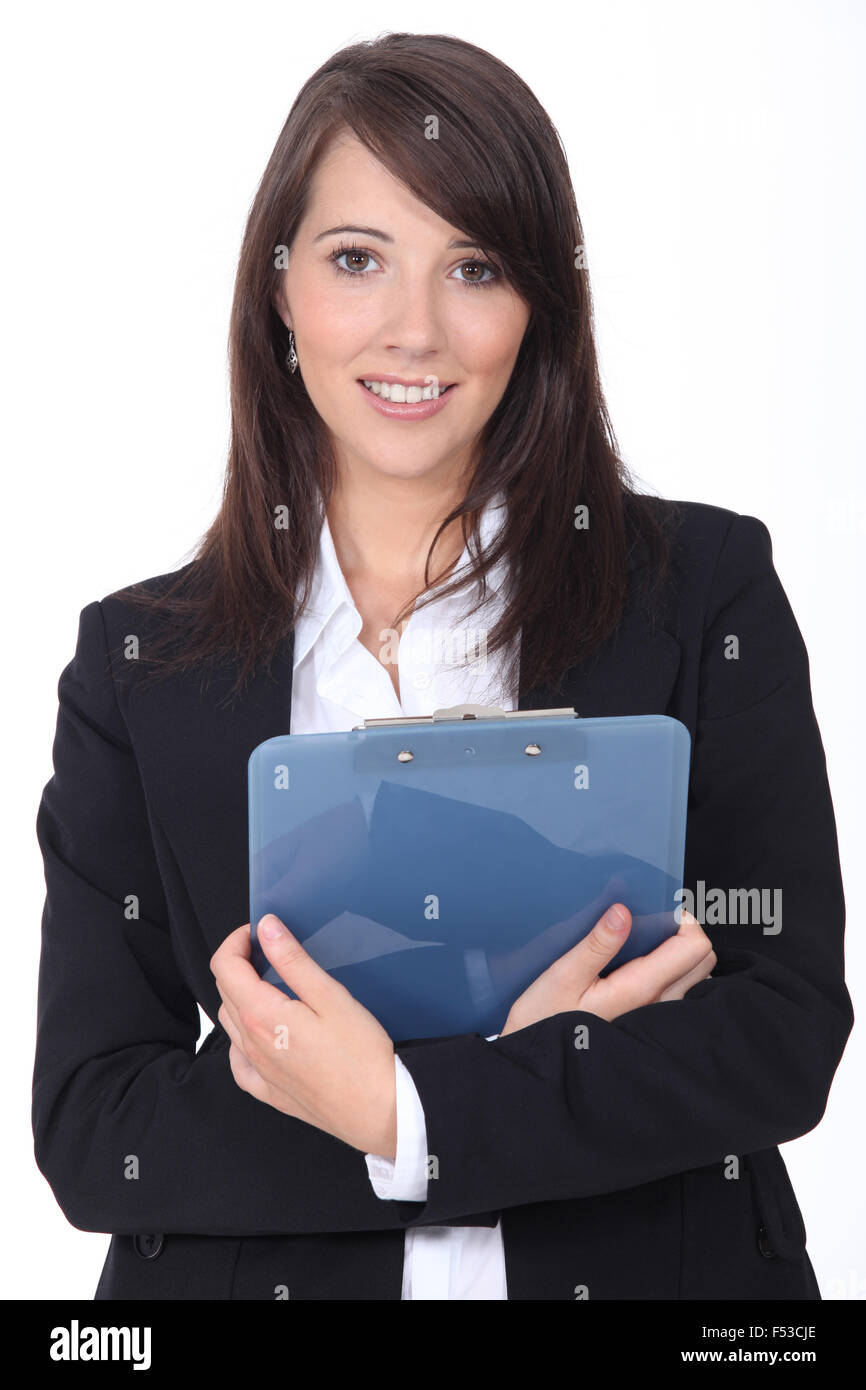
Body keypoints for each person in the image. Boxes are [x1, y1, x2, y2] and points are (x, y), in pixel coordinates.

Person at [32, 32, 852, 1301]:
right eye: (358, 260)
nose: (413, 330)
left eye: (472, 266)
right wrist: (427, 1109)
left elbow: (781, 1024)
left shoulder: (700, 590)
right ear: (280, 291)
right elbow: (96, 1125)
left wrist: (412, 1101)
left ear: (538, 304)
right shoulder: (140, 663)